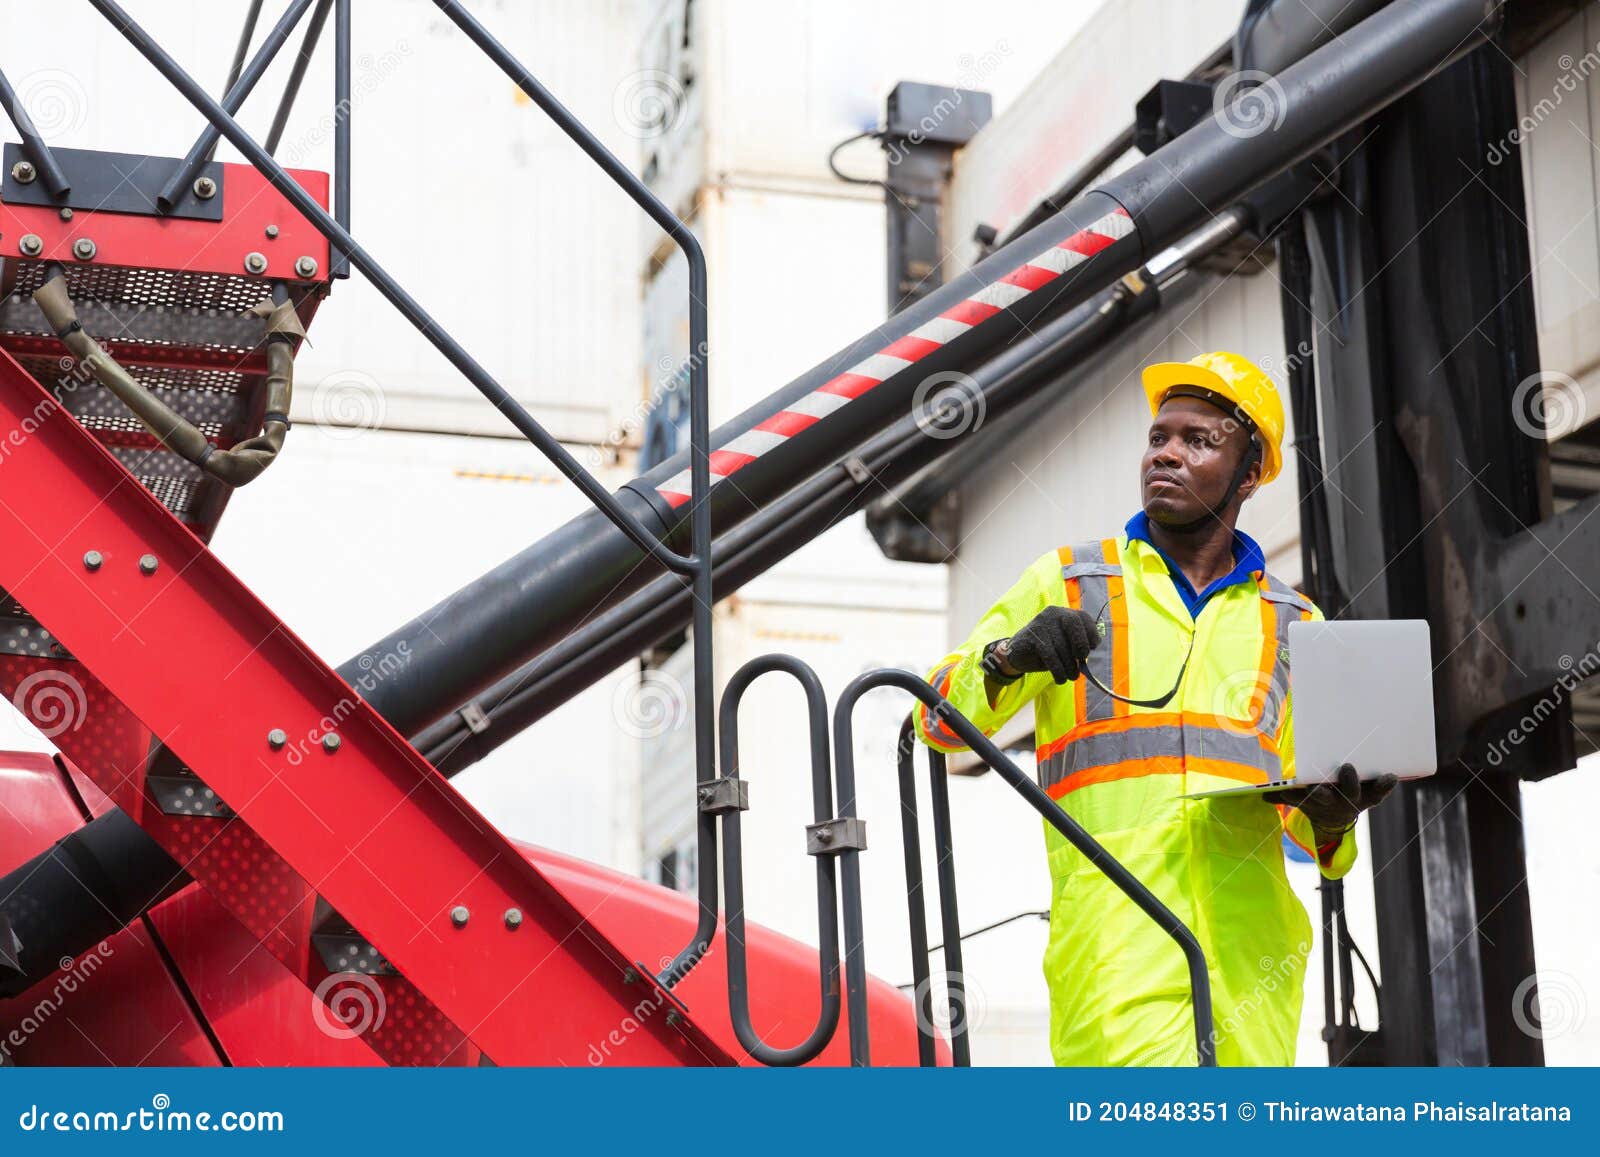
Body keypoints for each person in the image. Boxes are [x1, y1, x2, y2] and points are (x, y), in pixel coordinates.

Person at [913, 350, 1396, 1066]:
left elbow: (1311, 827)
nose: (1165, 453)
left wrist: (1332, 821)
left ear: (1249, 471)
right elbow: (937, 723)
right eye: (1158, 436)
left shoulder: (1297, 624)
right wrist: (1008, 658)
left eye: (1197, 440)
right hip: (1118, 965)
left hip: (1252, 976)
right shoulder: (1071, 582)